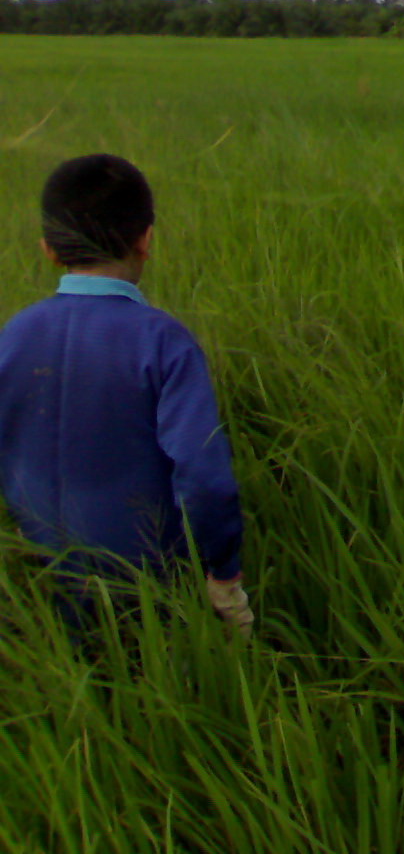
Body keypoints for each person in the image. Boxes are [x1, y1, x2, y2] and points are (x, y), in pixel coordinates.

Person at [0, 154, 252, 635]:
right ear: (146, 239)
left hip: (41, 581)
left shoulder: (13, 336)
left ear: (48, 249)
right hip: (150, 593)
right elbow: (204, 478)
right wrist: (224, 573)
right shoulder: (165, 342)